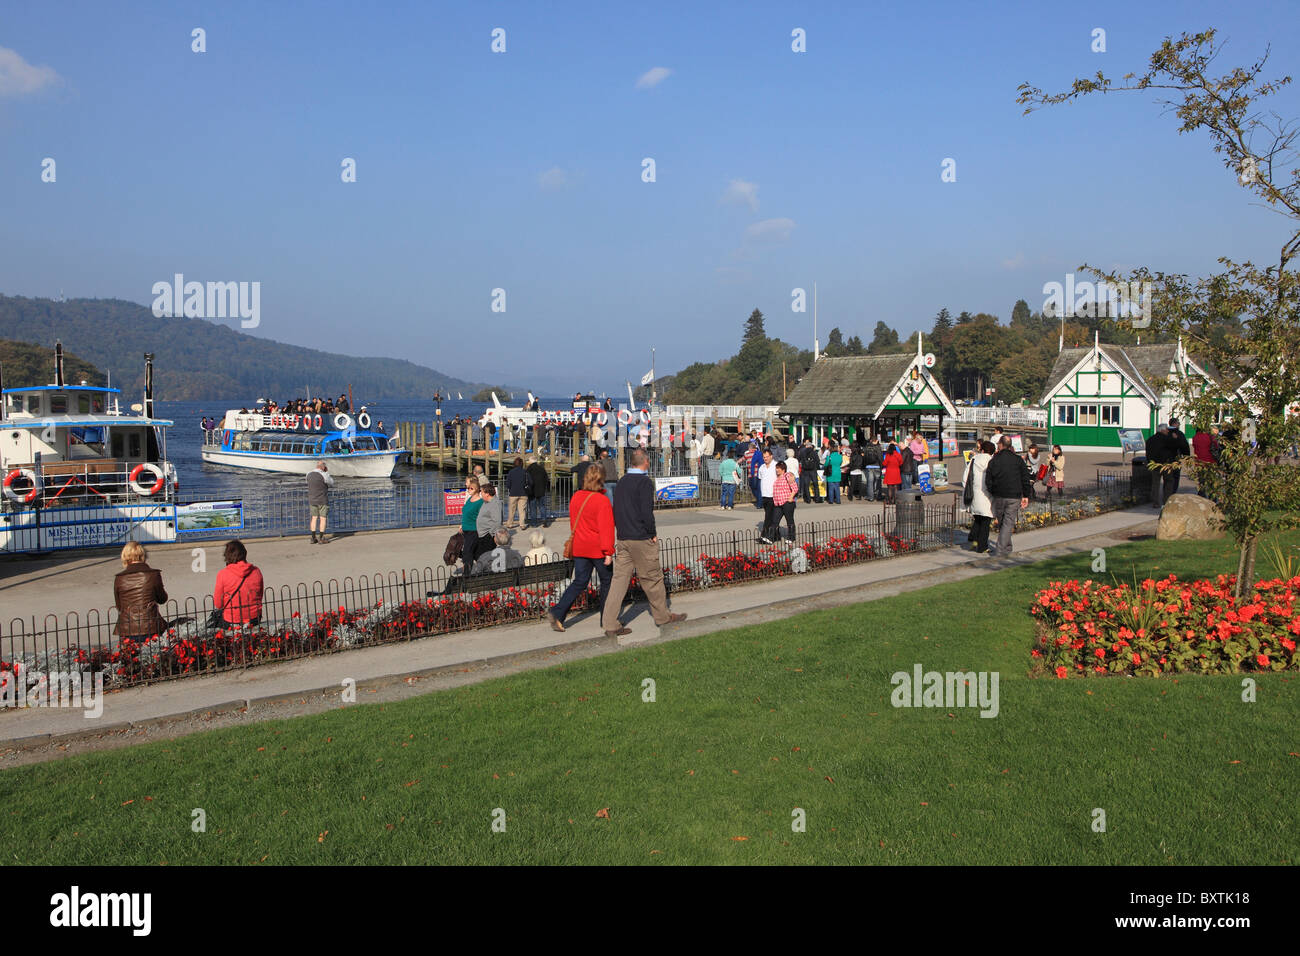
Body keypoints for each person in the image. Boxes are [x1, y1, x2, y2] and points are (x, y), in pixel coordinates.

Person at [600, 448, 687, 637]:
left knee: (619, 581)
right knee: (652, 579)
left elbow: (616, 509)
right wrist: (652, 533)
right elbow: (647, 512)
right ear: (646, 462)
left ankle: (609, 623)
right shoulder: (645, 482)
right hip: (641, 537)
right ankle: (662, 617)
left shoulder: (622, 482)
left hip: (623, 537)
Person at [548, 464, 616, 632]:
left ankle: (558, 612)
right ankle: (607, 619)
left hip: (580, 545)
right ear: (601, 479)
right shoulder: (602, 500)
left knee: (580, 581)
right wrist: (608, 552)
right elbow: (606, 529)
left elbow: (574, 523)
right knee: (607, 581)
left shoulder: (576, 496)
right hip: (597, 548)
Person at [986, 436, 1032, 555]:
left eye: (998, 443)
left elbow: (988, 480)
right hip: (1013, 495)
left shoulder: (994, 460)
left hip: (999, 495)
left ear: (1001, 445)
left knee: (1004, 523)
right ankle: (1005, 548)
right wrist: (1026, 494)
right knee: (1006, 523)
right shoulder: (1018, 460)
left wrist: (993, 491)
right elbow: (1025, 478)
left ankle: (1001, 549)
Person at [113, 541, 169, 640]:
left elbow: (119, 606)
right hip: (151, 626)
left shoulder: (119, 578)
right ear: (143, 555)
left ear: (125, 557)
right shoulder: (153, 574)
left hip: (127, 628)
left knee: (131, 650)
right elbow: (162, 599)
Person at [213, 539, 265, 627]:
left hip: (232, 620)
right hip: (254, 618)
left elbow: (218, 604)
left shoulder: (222, 574)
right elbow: (259, 596)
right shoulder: (256, 571)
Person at [964, 441, 995, 553]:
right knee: (985, 521)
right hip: (987, 494)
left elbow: (966, 477)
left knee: (977, 518)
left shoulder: (974, 460)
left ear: (982, 449)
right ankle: (982, 546)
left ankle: (974, 540)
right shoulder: (992, 461)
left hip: (975, 493)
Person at [1145, 423, 1177, 509]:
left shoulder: (1150, 439)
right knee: (1169, 482)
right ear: (1162, 430)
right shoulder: (1167, 439)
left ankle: (1155, 502)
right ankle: (1166, 501)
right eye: (1166, 429)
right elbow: (1174, 448)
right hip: (1166, 464)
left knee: (1155, 483)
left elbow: (1148, 452)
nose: (1168, 431)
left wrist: (1149, 462)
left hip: (1154, 464)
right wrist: (1174, 439)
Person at [472, 482, 503, 563]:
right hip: (482, 535)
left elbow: (497, 521)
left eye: (481, 492)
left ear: (487, 494)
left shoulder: (495, 503)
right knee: (477, 555)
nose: (480, 494)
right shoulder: (486, 502)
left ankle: (487, 569)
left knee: (484, 557)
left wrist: (491, 534)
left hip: (488, 536)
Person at [458, 475, 483, 574]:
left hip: (473, 530)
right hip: (466, 530)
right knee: (475, 553)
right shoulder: (469, 499)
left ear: (477, 489)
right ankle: (484, 567)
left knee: (467, 552)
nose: (469, 489)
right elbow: (465, 513)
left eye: (471, 488)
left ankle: (466, 575)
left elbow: (482, 517)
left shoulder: (480, 502)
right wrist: (462, 525)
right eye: (468, 488)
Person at [770, 459, 799, 542]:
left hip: (787, 502)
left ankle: (791, 537)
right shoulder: (777, 478)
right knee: (775, 521)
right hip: (778, 503)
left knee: (789, 520)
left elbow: (795, 488)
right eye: (776, 468)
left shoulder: (787, 475)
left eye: (779, 468)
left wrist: (791, 497)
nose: (777, 470)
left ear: (783, 469)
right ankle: (771, 537)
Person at [307, 461, 333, 544]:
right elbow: (331, 482)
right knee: (323, 518)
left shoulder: (308, 474)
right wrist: (327, 472)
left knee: (314, 518)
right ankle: (321, 538)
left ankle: (313, 538)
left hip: (312, 499)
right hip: (322, 499)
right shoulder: (324, 474)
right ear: (323, 467)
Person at [757, 448, 778, 543]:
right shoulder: (762, 467)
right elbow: (760, 479)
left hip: (773, 495)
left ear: (771, 456)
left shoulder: (776, 465)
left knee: (768, 516)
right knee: (770, 516)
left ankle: (764, 535)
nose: (765, 458)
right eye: (764, 457)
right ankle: (776, 535)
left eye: (767, 457)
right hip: (765, 495)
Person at [1167, 417, 1191, 496]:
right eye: (1178, 423)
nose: (1179, 424)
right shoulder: (1179, 434)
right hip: (1175, 458)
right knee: (1175, 477)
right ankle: (1173, 494)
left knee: (1167, 478)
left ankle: (1167, 494)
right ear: (1174, 424)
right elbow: (1184, 446)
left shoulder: (1165, 433)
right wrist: (1187, 456)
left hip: (1165, 459)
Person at [504, 457, 530, 530]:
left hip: (513, 493)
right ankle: (522, 524)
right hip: (523, 493)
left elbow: (508, 484)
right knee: (522, 510)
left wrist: (510, 488)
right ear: (522, 464)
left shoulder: (511, 472)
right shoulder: (525, 472)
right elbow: (530, 482)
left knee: (511, 510)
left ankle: (510, 524)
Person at [526, 457, 550, 526]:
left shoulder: (528, 469)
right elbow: (546, 479)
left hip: (532, 491)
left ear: (530, 461)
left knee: (533, 508)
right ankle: (544, 520)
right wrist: (545, 488)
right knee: (542, 506)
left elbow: (527, 480)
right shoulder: (542, 468)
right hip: (541, 491)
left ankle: (534, 523)